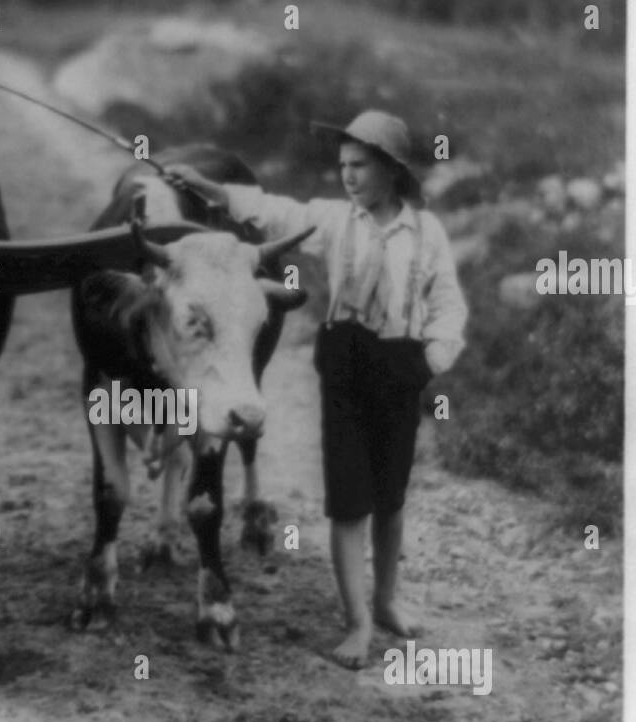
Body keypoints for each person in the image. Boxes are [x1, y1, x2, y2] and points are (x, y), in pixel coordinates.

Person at [165, 110, 468, 669]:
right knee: (350, 502)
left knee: (391, 499)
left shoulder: (428, 234)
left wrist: (432, 358)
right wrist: (213, 190)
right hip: (347, 368)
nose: (348, 178)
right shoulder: (333, 220)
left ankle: (385, 602)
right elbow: (274, 210)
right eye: (343, 167)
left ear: (393, 172)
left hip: (400, 366)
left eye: (360, 166)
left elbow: (448, 303)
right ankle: (355, 624)